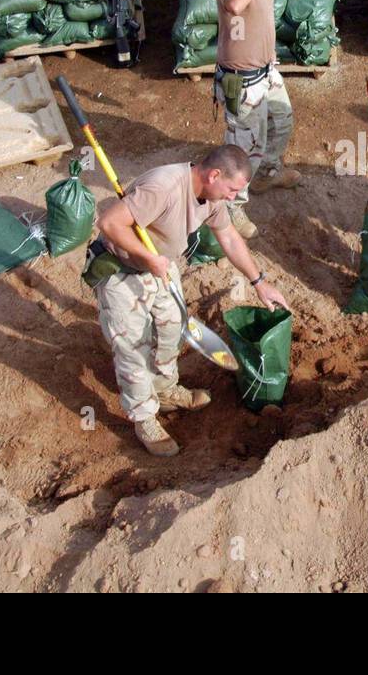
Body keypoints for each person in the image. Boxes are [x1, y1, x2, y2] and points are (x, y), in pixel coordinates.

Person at [87, 144, 289, 456]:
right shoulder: (163, 185)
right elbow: (109, 223)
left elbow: (229, 238)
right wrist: (146, 257)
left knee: (172, 328)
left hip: (160, 268)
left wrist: (259, 282)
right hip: (122, 272)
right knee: (134, 349)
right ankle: (145, 419)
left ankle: (166, 390)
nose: (234, 197)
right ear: (215, 175)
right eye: (233, 190)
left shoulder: (212, 198)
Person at [214, 0, 299, 240]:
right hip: (243, 80)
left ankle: (267, 173)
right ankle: (232, 205)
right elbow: (235, 4)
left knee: (282, 121)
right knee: (246, 148)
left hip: (266, 71)